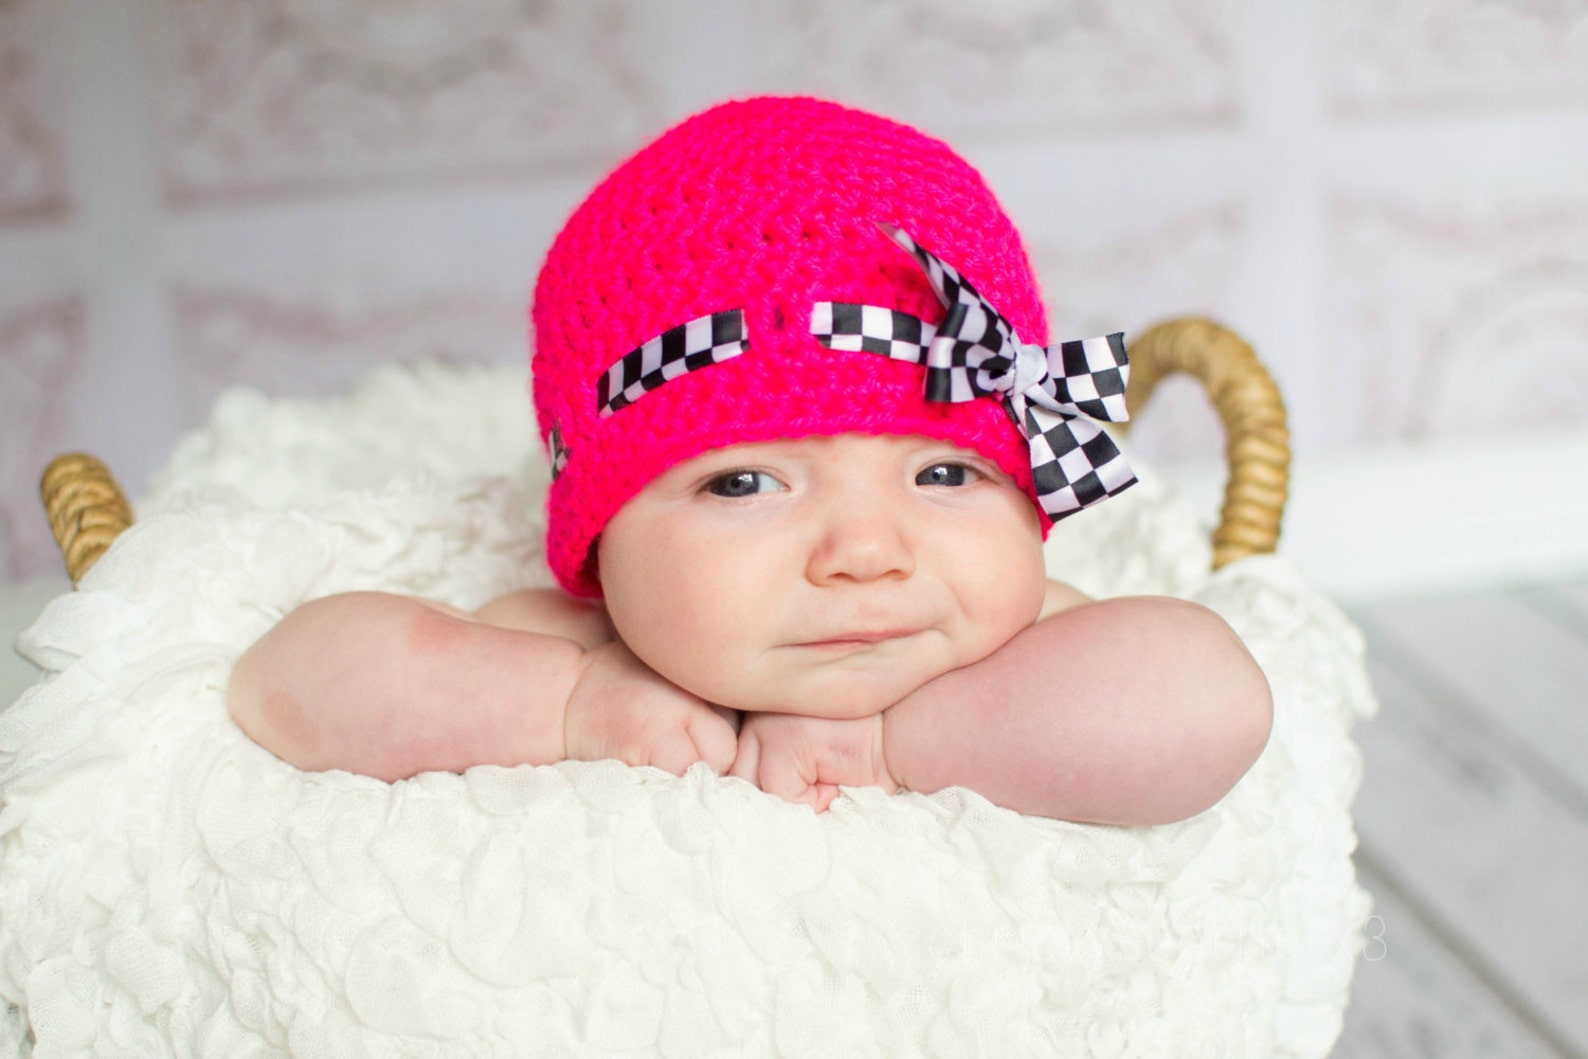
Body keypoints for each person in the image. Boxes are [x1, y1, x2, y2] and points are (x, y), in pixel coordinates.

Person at [226, 97, 1272, 824]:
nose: (866, 553)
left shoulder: (1022, 652)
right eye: (742, 482)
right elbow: (284, 684)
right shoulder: (589, 650)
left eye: (945, 474)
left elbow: (1206, 702)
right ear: (600, 529)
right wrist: (567, 709)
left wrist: (892, 747)